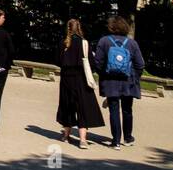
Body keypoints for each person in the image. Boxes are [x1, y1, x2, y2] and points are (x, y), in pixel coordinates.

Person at [93, 15, 145, 150]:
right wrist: (135, 77)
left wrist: (104, 74)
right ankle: (128, 137)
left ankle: (116, 141)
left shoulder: (104, 41)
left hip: (110, 82)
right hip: (128, 82)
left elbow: (97, 62)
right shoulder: (132, 43)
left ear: (110, 26)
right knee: (127, 110)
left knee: (114, 110)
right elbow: (140, 64)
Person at [55, 18, 104, 148]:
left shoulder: (63, 43)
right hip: (81, 78)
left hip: (66, 78)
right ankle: (83, 139)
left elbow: (58, 61)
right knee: (82, 107)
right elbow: (92, 64)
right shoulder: (84, 43)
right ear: (79, 28)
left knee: (66, 106)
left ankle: (66, 135)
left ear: (68, 29)